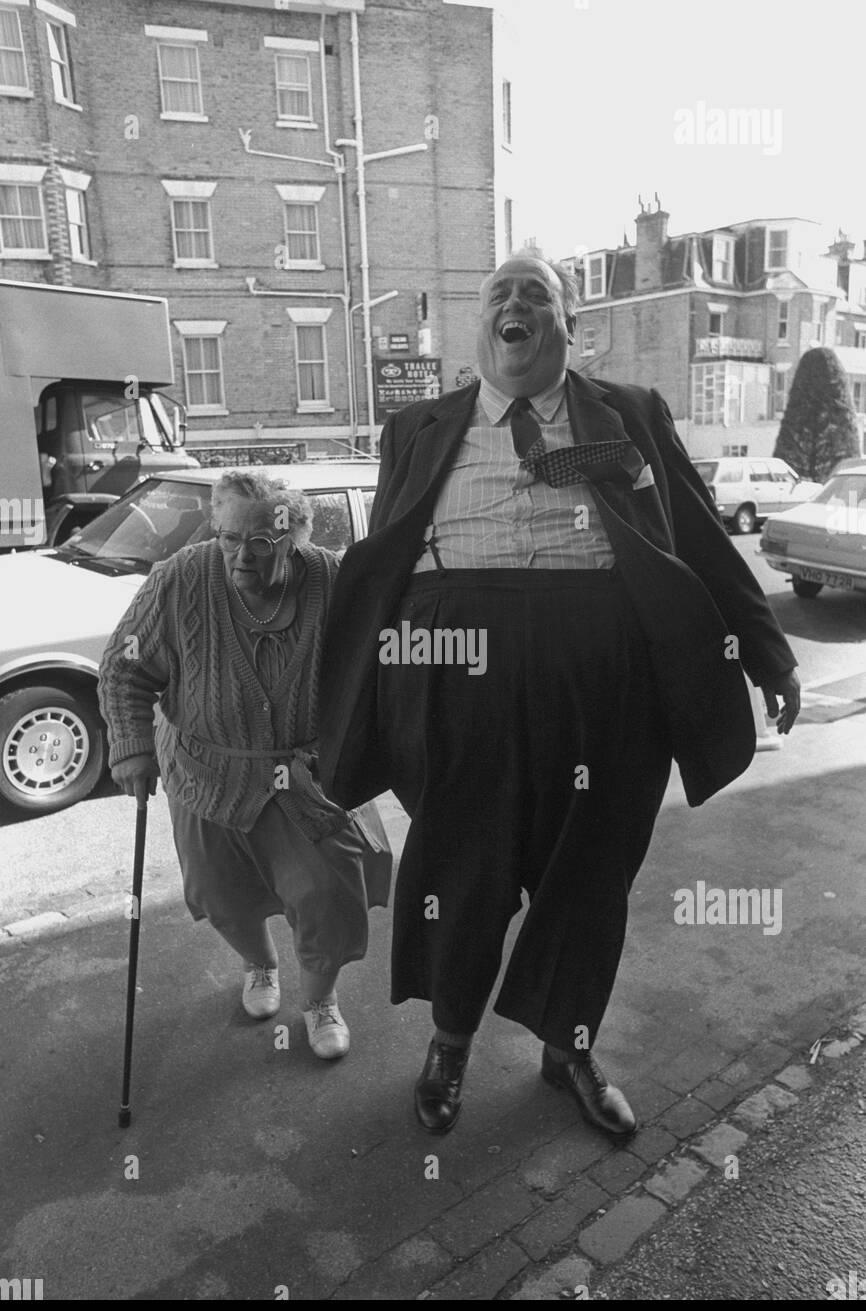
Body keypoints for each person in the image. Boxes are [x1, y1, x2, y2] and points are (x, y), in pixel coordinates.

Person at [318, 254, 800, 1135]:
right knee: (464, 872)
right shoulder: (418, 427)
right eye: (499, 293)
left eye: (535, 293)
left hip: (605, 686)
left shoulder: (628, 416)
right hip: (457, 685)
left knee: (589, 880)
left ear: (568, 324)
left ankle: (566, 1048)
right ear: (479, 325)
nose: (515, 304)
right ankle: (451, 1042)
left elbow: (695, 533)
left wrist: (767, 654)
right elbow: (379, 561)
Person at [98, 470, 391, 1058]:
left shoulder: (332, 580)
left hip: (307, 780)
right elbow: (126, 668)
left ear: (297, 538)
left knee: (327, 900)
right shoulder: (182, 576)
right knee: (221, 894)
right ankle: (260, 966)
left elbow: (379, 674)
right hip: (206, 773)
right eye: (230, 538)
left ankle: (319, 999)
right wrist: (131, 746)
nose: (242, 557)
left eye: (263, 543)